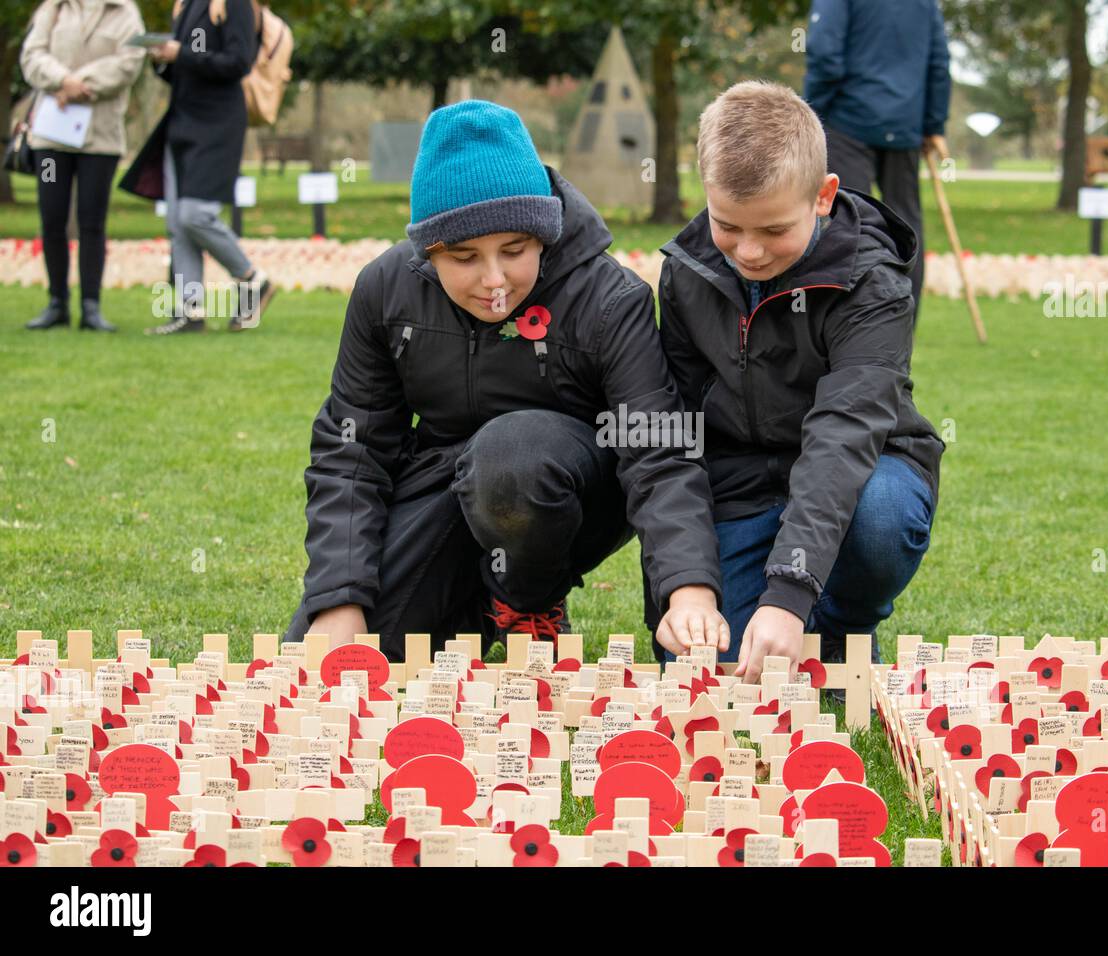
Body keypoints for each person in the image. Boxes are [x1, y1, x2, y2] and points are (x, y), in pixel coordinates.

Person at [285, 100, 728, 662]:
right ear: (428, 253)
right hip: (448, 482)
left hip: (570, 486)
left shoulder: (612, 300)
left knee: (511, 458)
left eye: (514, 251)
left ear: (543, 234)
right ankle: (479, 603)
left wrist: (686, 587)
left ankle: (530, 601)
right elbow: (353, 449)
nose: (494, 280)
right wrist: (338, 597)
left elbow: (659, 451)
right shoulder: (383, 291)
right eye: (465, 258)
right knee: (336, 653)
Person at [645, 81, 945, 682]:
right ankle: (770, 600)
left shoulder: (874, 284)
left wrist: (789, 592)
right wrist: (686, 585)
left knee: (881, 520)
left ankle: (842, 624)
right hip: (738, 486)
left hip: (865, 472)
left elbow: (844, 432)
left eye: (774, 230)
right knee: (703, 662)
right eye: (728, 225)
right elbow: (671, 438)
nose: (749, 252)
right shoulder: (684, 275)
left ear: (824, 196)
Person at [118, 0, 273, 333]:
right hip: (181, 122)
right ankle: (190, 311)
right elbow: (186, 69)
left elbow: (238, 62)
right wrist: (163, 60)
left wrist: (182, 54)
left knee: (195, 214)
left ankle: (252, 278)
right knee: (177, 221)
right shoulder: (185, 5)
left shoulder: (234, 4)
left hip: (217, 124)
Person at [804, 0, 951, 324]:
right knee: (905, 226)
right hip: (904, 125)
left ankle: (850, 326)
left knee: (846, 224)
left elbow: (825, 53)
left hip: (848, 122)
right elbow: (939, 64)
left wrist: (809, 111)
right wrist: (931, 123)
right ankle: (899, 326)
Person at [20, 0, 146, 332]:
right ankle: (56, 302)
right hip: (51, 140)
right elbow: (32, 56)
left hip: (100, 140)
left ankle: (91, 306)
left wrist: (80, 84)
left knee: (92, 221)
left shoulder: (125, 13)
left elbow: (130, 61)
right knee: (52, 217)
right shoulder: (53, 9)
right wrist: (61, 80)